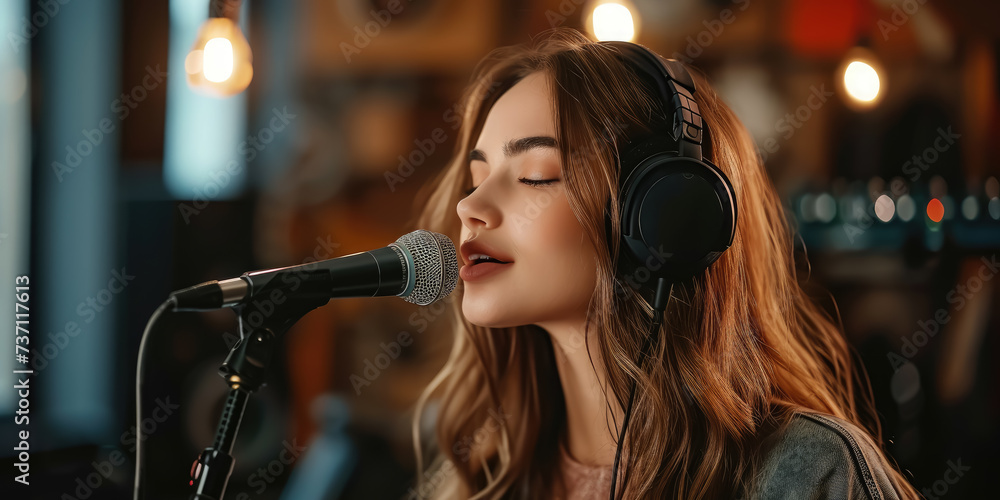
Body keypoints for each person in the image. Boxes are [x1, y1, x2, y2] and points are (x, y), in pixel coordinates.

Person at [407, 27, 920, 499]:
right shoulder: (482, 476)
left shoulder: (803, 474)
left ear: (662, 213)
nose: (468, 207)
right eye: (477, 179)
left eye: (537, 175)